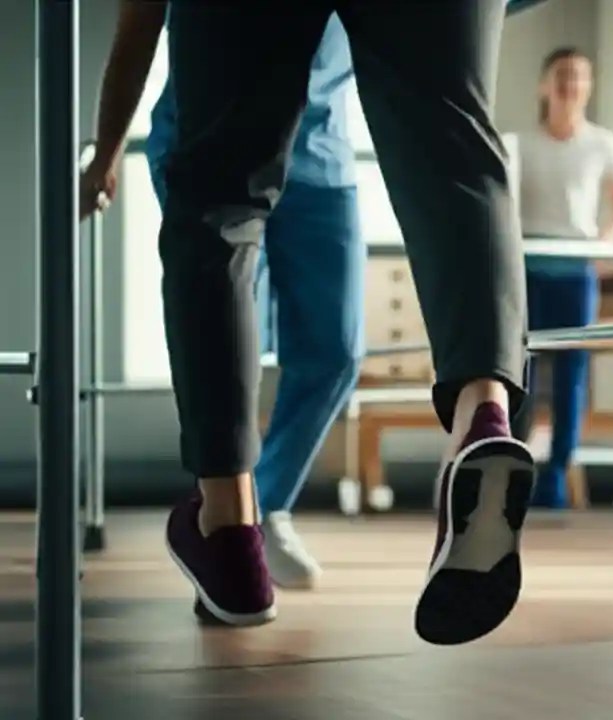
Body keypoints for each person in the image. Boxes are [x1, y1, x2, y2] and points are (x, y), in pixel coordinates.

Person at [81, 1, 533, 646]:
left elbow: (139, 23)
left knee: (218, 206)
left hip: (310, 158)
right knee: (458, 153)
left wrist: (105, 146)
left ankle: (232, 531)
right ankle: (482, 415)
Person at [511, 47, 613, 509]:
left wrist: (603, 245)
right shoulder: (519, 143)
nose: (570, 84)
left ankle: (556, 473)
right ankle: (516, 471)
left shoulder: (604, 144)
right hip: (530, 264)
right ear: (544, 85)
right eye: (561, 75)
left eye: (579, 76)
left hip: (576, 266)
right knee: (521, 368)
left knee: (571, 374)